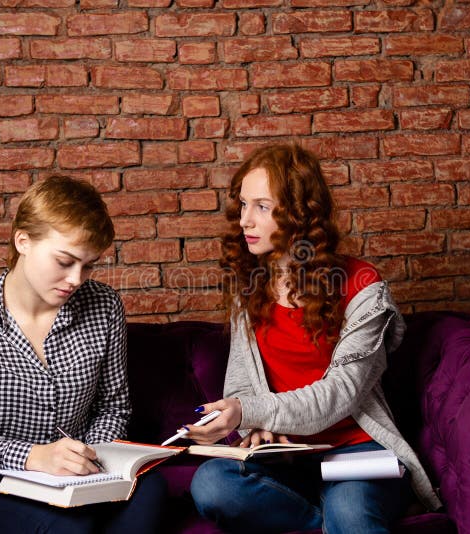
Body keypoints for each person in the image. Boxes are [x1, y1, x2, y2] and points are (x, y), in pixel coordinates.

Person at [186, 144, 443, 533]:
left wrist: (248, 411)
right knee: (211, 483)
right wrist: (254, 429)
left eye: (262, 207)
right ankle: (324, 519)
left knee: (350, 509)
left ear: (299, 214)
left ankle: (340, 512)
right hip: (289, 457)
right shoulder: (250, 286)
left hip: (358, 452)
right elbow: (241, 383)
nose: (244, 220)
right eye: (243, 204)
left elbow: (340, 394)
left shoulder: (362, 287)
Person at [0, 176, 165, 533]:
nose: (76, 279)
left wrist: (83, 458)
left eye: (88, 265)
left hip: (72, 479)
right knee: (66, 526)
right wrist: (33, 457)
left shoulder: (105, 306)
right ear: (23, 241)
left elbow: (113, 408)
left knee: (152, 492)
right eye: (64, 261)